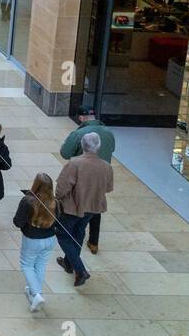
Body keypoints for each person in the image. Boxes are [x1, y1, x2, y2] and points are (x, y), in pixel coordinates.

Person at [54, 131, 113, 287]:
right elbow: (108, 188)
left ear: (82, 145)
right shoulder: (106, 166)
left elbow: (61, 189)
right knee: (79, 232)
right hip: (93, 207)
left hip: (73, 208)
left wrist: (59, 198)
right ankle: (69, 263)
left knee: (62, 234)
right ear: (98, 146)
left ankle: (79, 269)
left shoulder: (75, 164)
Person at [59, 109, 116, 254]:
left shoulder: (79, 134)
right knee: (95, 209)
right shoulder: (109, 133)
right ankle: (93, 242)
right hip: (101, 178)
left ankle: (72, 256)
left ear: (81, 117)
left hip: (82, 179)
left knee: (75, 220)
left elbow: (65, 153)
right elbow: (112, 150)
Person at [13, 173, 59, 311]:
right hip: (50, 239)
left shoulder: (28, 201)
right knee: (41, 264)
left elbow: (17, 222)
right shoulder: (56, 202)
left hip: (32, 239)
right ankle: (35, 293)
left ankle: (37, 294)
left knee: (27, 265)